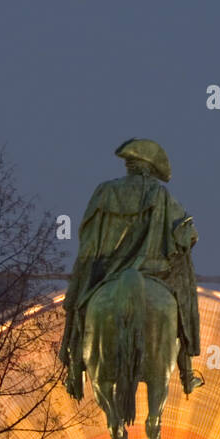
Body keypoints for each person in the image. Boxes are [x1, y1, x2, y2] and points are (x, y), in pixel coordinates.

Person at [59, 137, 203, 397]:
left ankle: (73, 366)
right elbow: (188, 235)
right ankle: (187, 372)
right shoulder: (159, 194)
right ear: (150, 168)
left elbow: (89, 235)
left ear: (128, 165)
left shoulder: (105, 192)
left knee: (78, 307)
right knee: (183, 302)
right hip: (152, 271)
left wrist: (92, 263)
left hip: (105, 272)